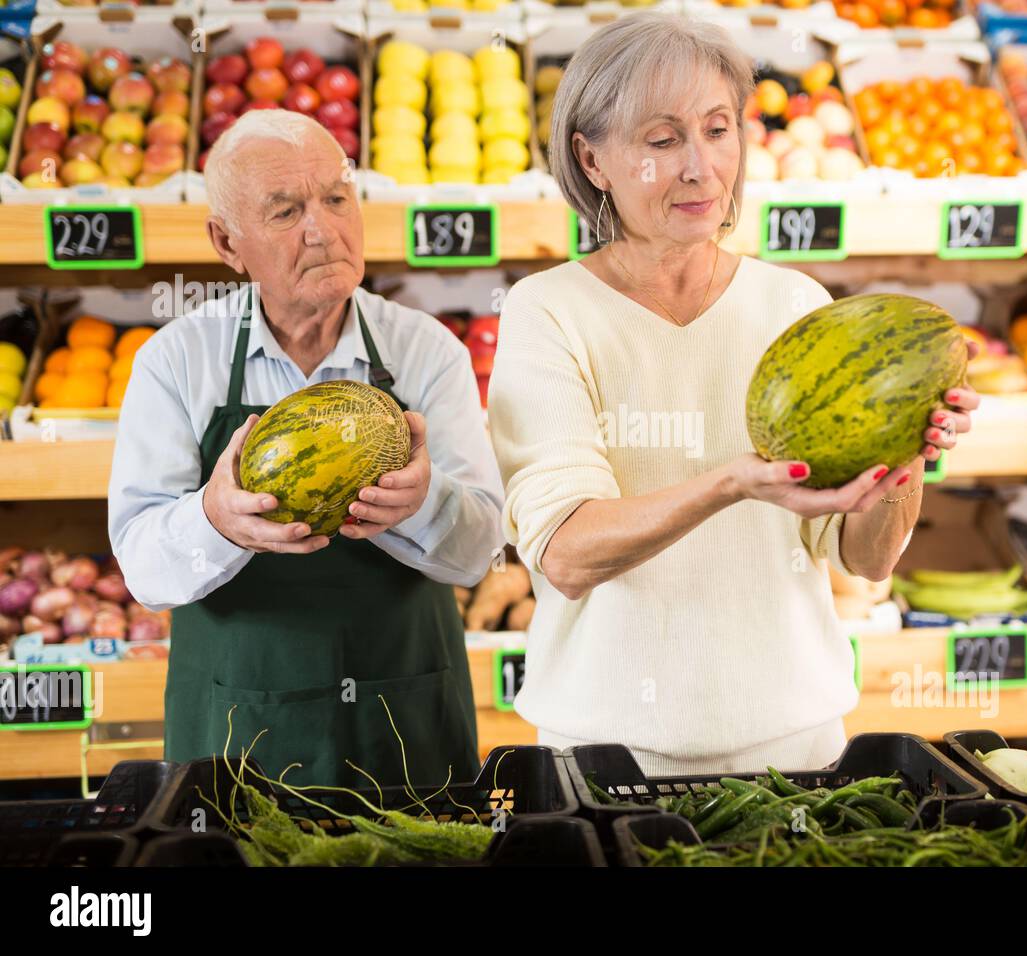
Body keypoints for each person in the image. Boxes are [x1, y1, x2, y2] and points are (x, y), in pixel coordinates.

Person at [488, 13, 980, 775]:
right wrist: (730, 482)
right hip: (608, 755)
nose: (701, 167)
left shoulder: (796, 305)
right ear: (592, 160)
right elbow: (568, 553)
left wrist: (903, 455)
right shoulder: (548, 311)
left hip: (798, 743)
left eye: (718, 130)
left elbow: (867, 559)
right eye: (662, 140)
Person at [108, 111, 505, 787]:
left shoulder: (426, 350)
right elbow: (143, 569)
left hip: (406, 728)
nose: (322, 230)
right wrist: (214, 518)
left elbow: (479, 552)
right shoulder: (175, 361)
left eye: (336, 198)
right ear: (227, 242)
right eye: (287, 211)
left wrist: (419, 502)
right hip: (235, 741)